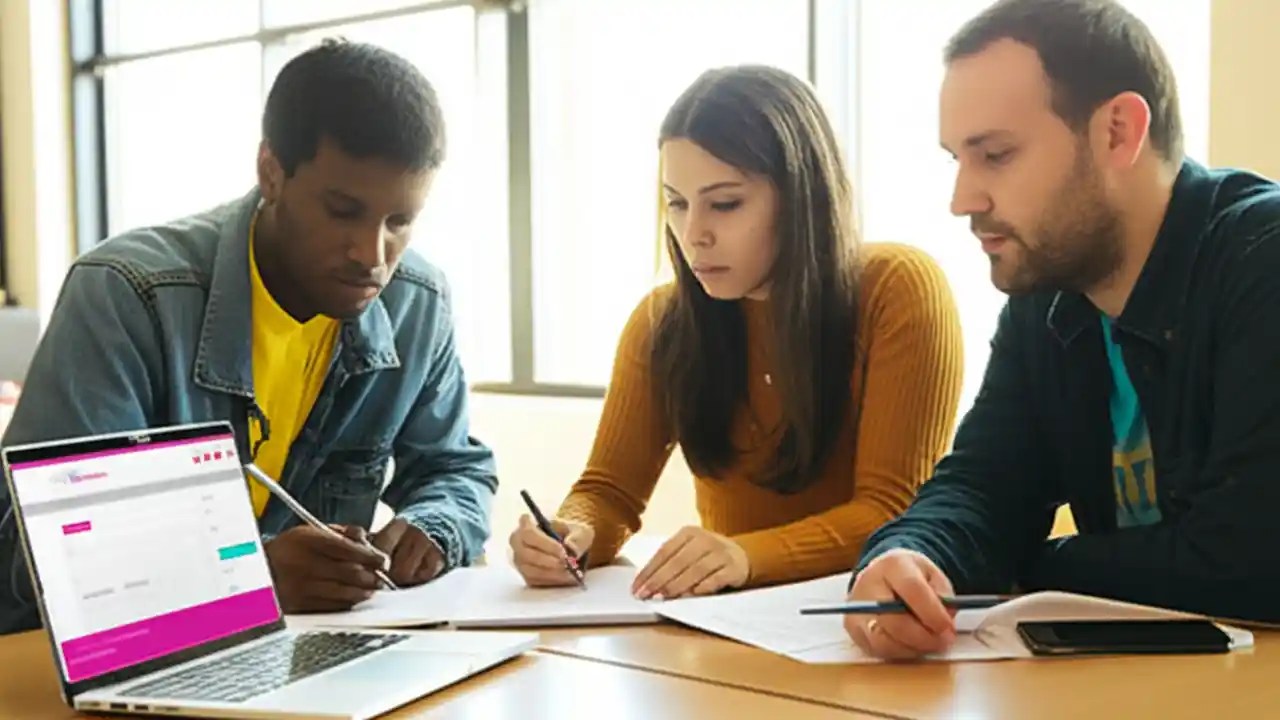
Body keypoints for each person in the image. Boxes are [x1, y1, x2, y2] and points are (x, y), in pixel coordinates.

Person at [0, 39, 498, 633]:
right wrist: (245, 577)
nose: (372, 255)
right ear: (271, 172)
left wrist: (434, 529)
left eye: (400, 221)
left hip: (310, 653)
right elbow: (46, 554)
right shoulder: (128, 293)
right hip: (116, 656)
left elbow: (455, 470)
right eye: (342, 210)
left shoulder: (417, 302)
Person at [844, 0, 1280, 661]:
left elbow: (1250, 565)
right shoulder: (1047, 296)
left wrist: (1022, 564)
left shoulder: (1262, 259)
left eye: (995, 155)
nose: (962, 198)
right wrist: (910, 556)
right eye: (957, 159)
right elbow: (982, 483)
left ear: (1117, 132)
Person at [509, 65, 965, 599]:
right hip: (734, 624)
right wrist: (570, 533)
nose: (693, 234)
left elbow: (894, 512)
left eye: (724, 203)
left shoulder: (897, 287)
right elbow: (608, 491)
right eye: (677, 202)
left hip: (873, 619)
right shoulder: (663, 323)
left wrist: (745, 555)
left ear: (801, 197)